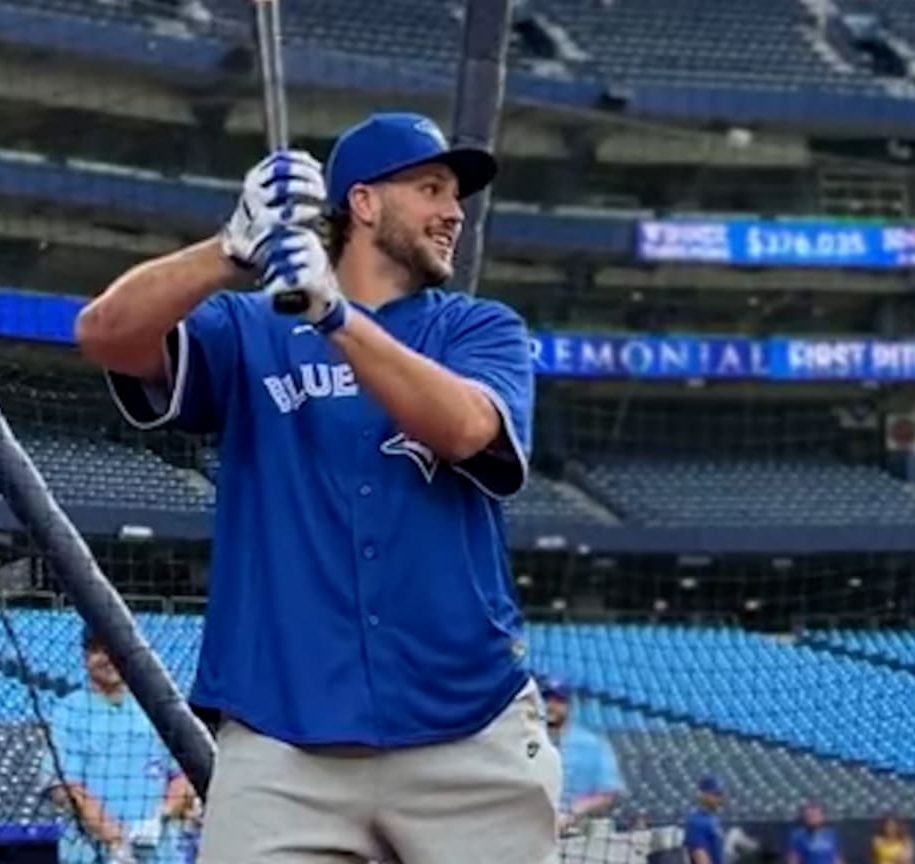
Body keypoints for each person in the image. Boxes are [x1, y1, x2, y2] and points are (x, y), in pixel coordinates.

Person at [76, 111, 556, 864]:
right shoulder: (251, 328)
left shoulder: (478, 328)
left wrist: (335, 316)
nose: (454, 213)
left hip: (468, 732)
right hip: (282, 738)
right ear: (363, 203)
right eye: (431, 188)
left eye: (455, 195)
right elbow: (105, 334)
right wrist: (228, 251)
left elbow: (466, 428)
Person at [39, 628, 199, 864]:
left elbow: (184, 775)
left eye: (114, 649)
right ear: (85, 657)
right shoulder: (68, 712)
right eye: (97, 651)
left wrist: (159, 816)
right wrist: (114, 841)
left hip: (159, 852)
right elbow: (66, 788)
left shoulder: (157, 707)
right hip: (91, 854)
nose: (107, 658)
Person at [542, 677, 625, 833]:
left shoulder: (593, 745)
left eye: (558, 701)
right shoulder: (527, 740)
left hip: (577, 828)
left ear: (569, 705)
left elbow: (608, 793)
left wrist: (573, 812)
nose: (550, 706)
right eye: (547, 700)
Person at [683, 775, 726, 864]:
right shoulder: (697, 821)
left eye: (721, 794)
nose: (720, 799)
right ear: (703, 795)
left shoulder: (712, 818)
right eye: (716, 794)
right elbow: (700, 856)